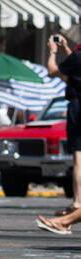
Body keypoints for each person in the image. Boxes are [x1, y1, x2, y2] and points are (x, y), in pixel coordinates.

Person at [46, 27, 81, 210]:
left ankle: (78, 201)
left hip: (77, 106)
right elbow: (72, 72)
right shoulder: (75, 57)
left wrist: (53, 51)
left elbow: (52, 70)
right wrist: (67, 49)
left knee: (78, 156)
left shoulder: (77, 57)